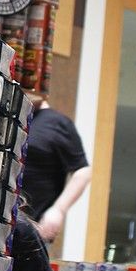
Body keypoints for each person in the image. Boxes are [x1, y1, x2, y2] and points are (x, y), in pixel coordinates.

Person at [21, 95, 92, 242]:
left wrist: (59, 210)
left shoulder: (57, 123)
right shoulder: (11, 116)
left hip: (32, 231)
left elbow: (82, 171)